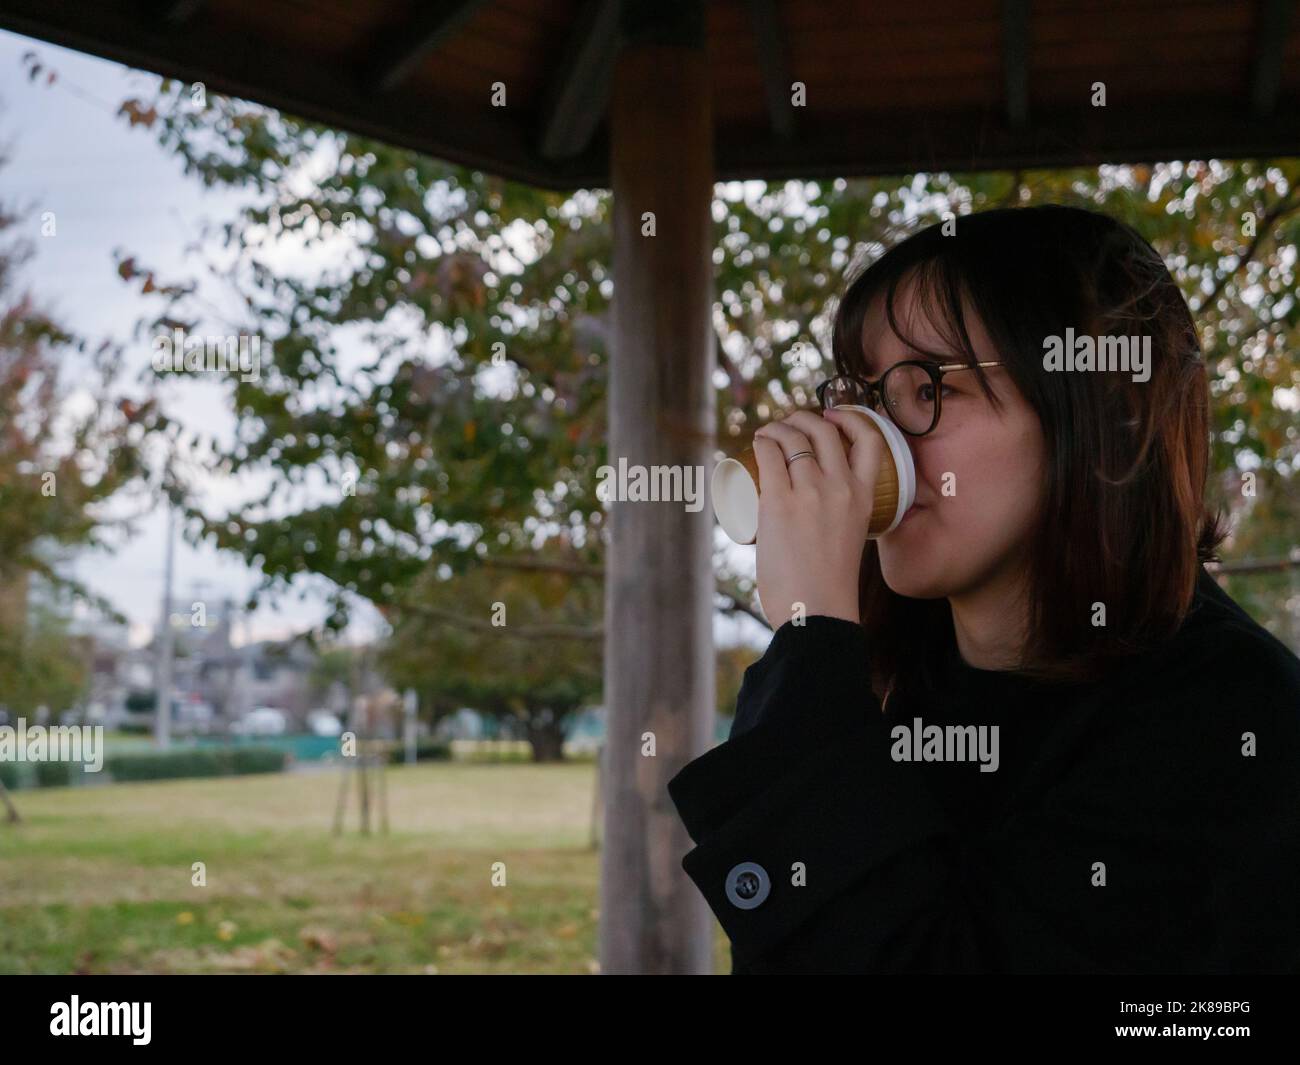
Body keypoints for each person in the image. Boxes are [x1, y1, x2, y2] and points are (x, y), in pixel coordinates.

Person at [667, 204, 1300, 974]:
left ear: (1102, 411)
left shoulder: (1228, 717)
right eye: (863, 393)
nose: (871, 444)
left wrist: (813, 639)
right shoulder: (913, 677)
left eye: (926, 389)